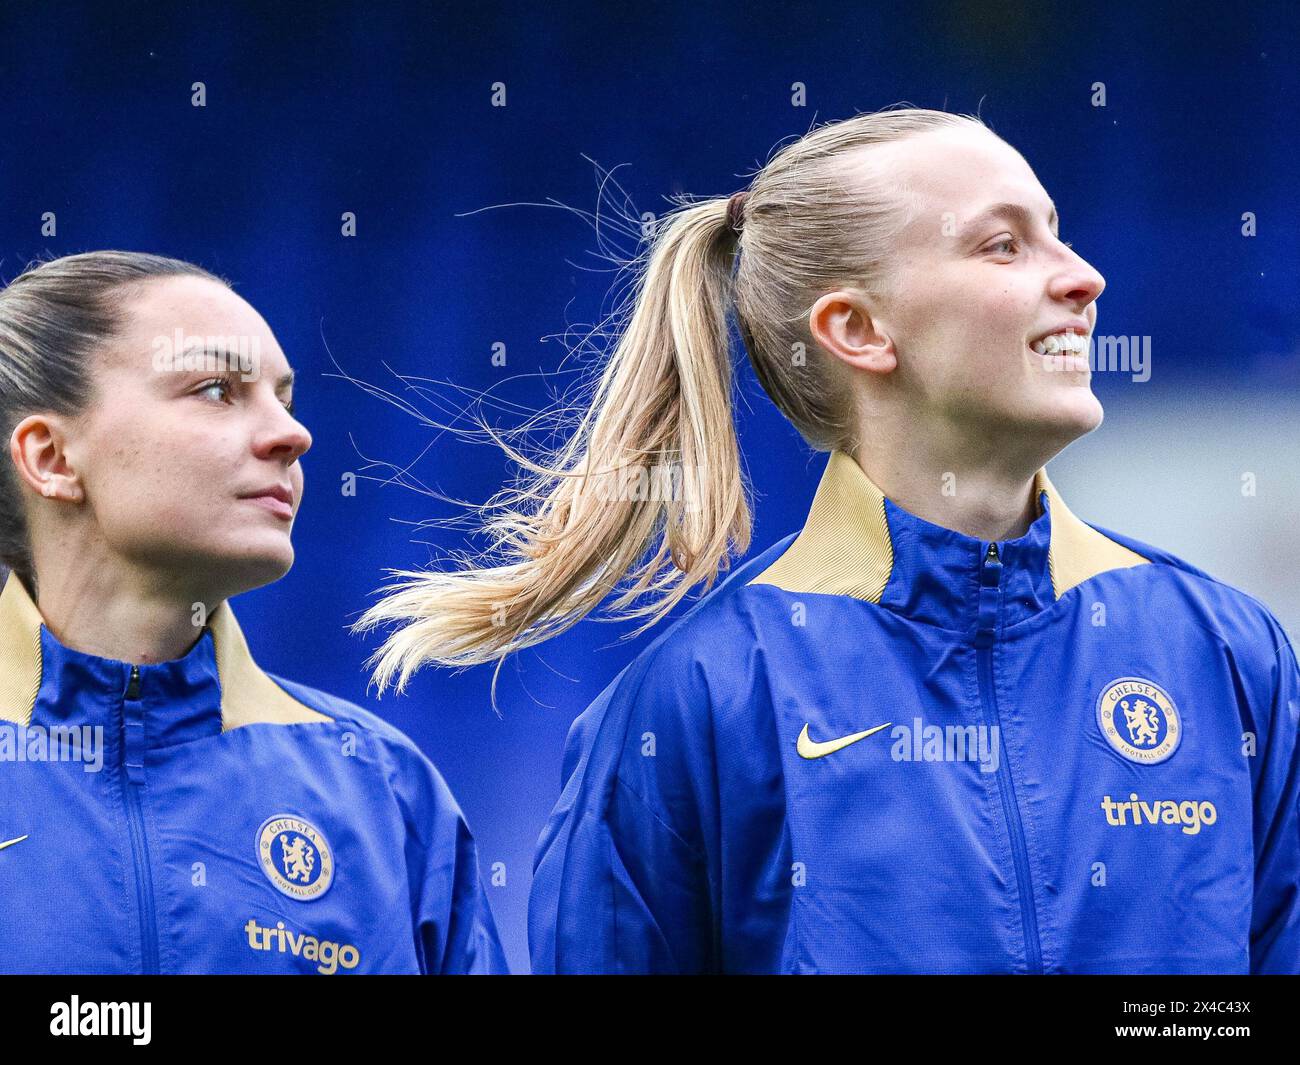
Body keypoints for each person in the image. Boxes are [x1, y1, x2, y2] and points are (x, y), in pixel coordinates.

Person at [356, 108, 1299, 974]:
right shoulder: (698, 700)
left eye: (1058, 231)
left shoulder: (1227, 654)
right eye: (1004, 244)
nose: (1083, 277)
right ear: (856, 329)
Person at [0, 251, 506, 975]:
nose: (292, 436)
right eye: (216, 389)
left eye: (284, 400)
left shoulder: (384, 789)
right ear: (50, 456)